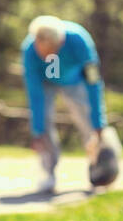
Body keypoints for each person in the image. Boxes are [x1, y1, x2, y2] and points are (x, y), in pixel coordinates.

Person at [21, 14, 111, 193]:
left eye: (53, 50)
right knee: (44, 124)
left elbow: (93, 81)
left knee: (87, 119)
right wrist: (38, 131)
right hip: (45, 82)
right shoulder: (29, 51)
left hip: (74, 81)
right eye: (44, 52)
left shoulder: (79, 39)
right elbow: (35, 95)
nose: (49, 56)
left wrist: (98, 121)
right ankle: (48, 173)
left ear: (61, 42)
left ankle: (99, 163)